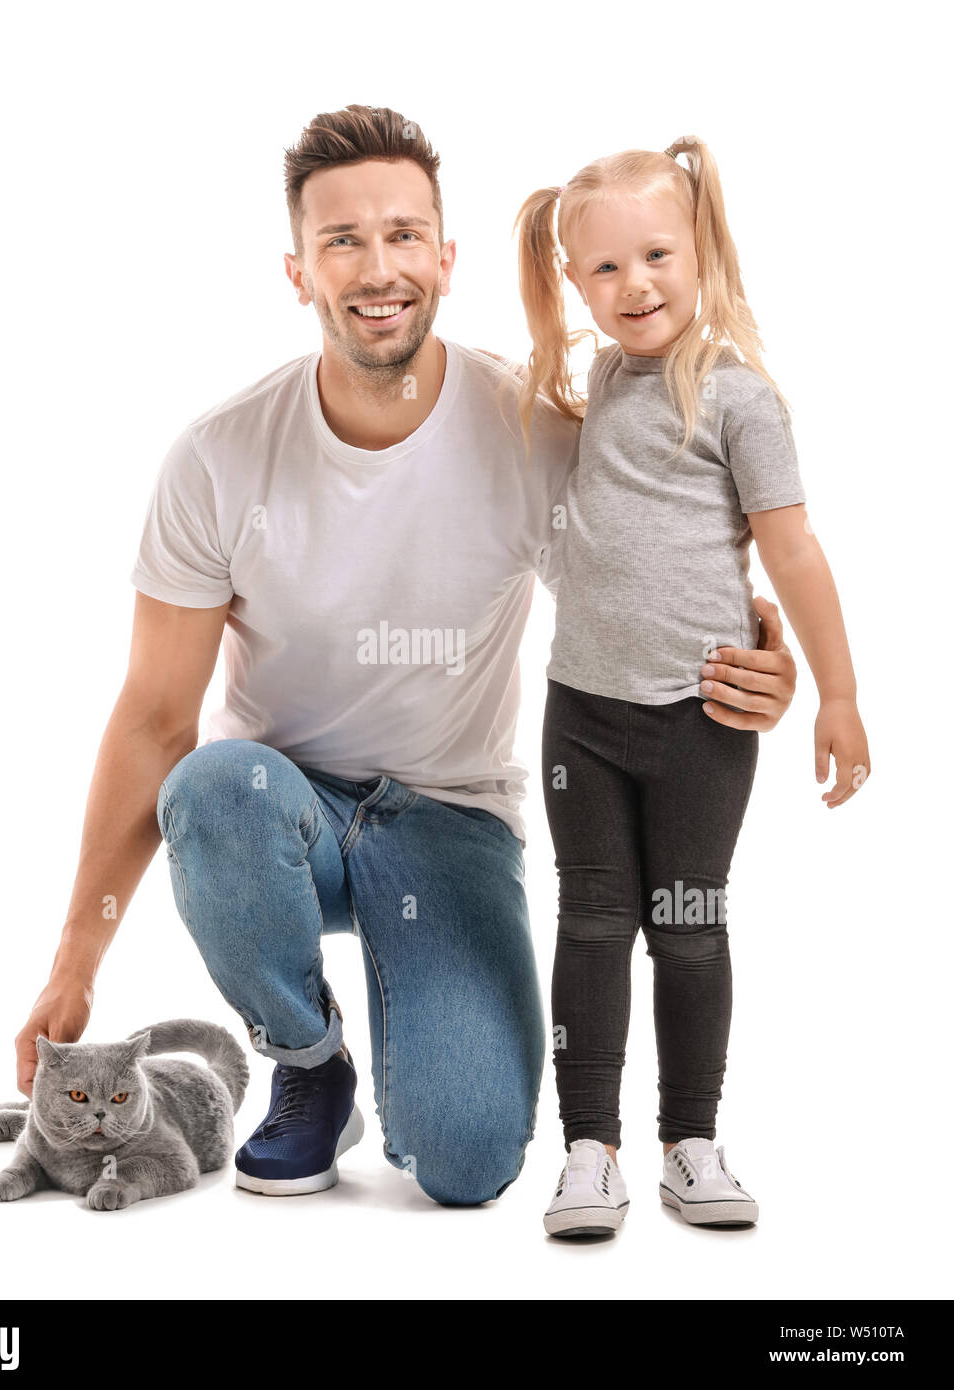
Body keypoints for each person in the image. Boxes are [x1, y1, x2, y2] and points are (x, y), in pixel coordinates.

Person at [14, 108, 799, 1209]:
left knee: (469, 1159)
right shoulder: (218, 458)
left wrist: (764, 657)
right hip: (282, 818)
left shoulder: (534, 431)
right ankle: (306, 1062)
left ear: (445, 257)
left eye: (402, 235)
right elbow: (153, 719)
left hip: (452, 823)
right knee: (212, 782)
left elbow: (648, 589)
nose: (377, 269)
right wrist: (76, 956)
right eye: (343, 241)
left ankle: (439, 1071)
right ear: (299, 271)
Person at [513, 135, 870, 1235]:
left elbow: (794, 548)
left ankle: (693, 1139)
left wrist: (839, 694)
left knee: (689, 925)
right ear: (574, 283)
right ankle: (587, 1148)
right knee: (589, 923)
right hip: (582, 712)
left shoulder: (738, 398)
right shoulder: (589, 391)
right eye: (606, 270)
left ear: (702, 250)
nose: (636, 286)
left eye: (658, 255)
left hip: (701, 719)